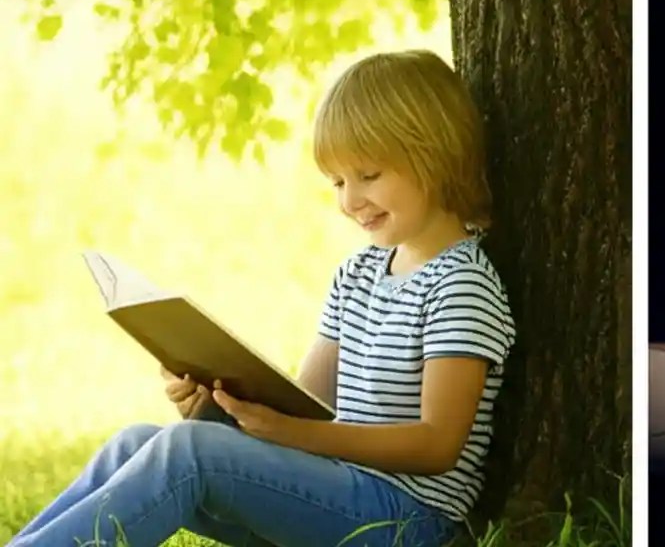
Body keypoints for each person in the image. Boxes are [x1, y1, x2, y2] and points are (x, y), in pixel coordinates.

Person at [12, 50, 516, 546]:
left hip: (404, 518)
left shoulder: (462, 283)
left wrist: (287, 435)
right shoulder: (359, 272)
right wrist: (220, 407)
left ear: (434, 156)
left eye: (369, 175)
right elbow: (306, 408)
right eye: (338, 181)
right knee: (133, 444)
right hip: (334, 493)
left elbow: (436, 445)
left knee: (191, 453)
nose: (349, 201)